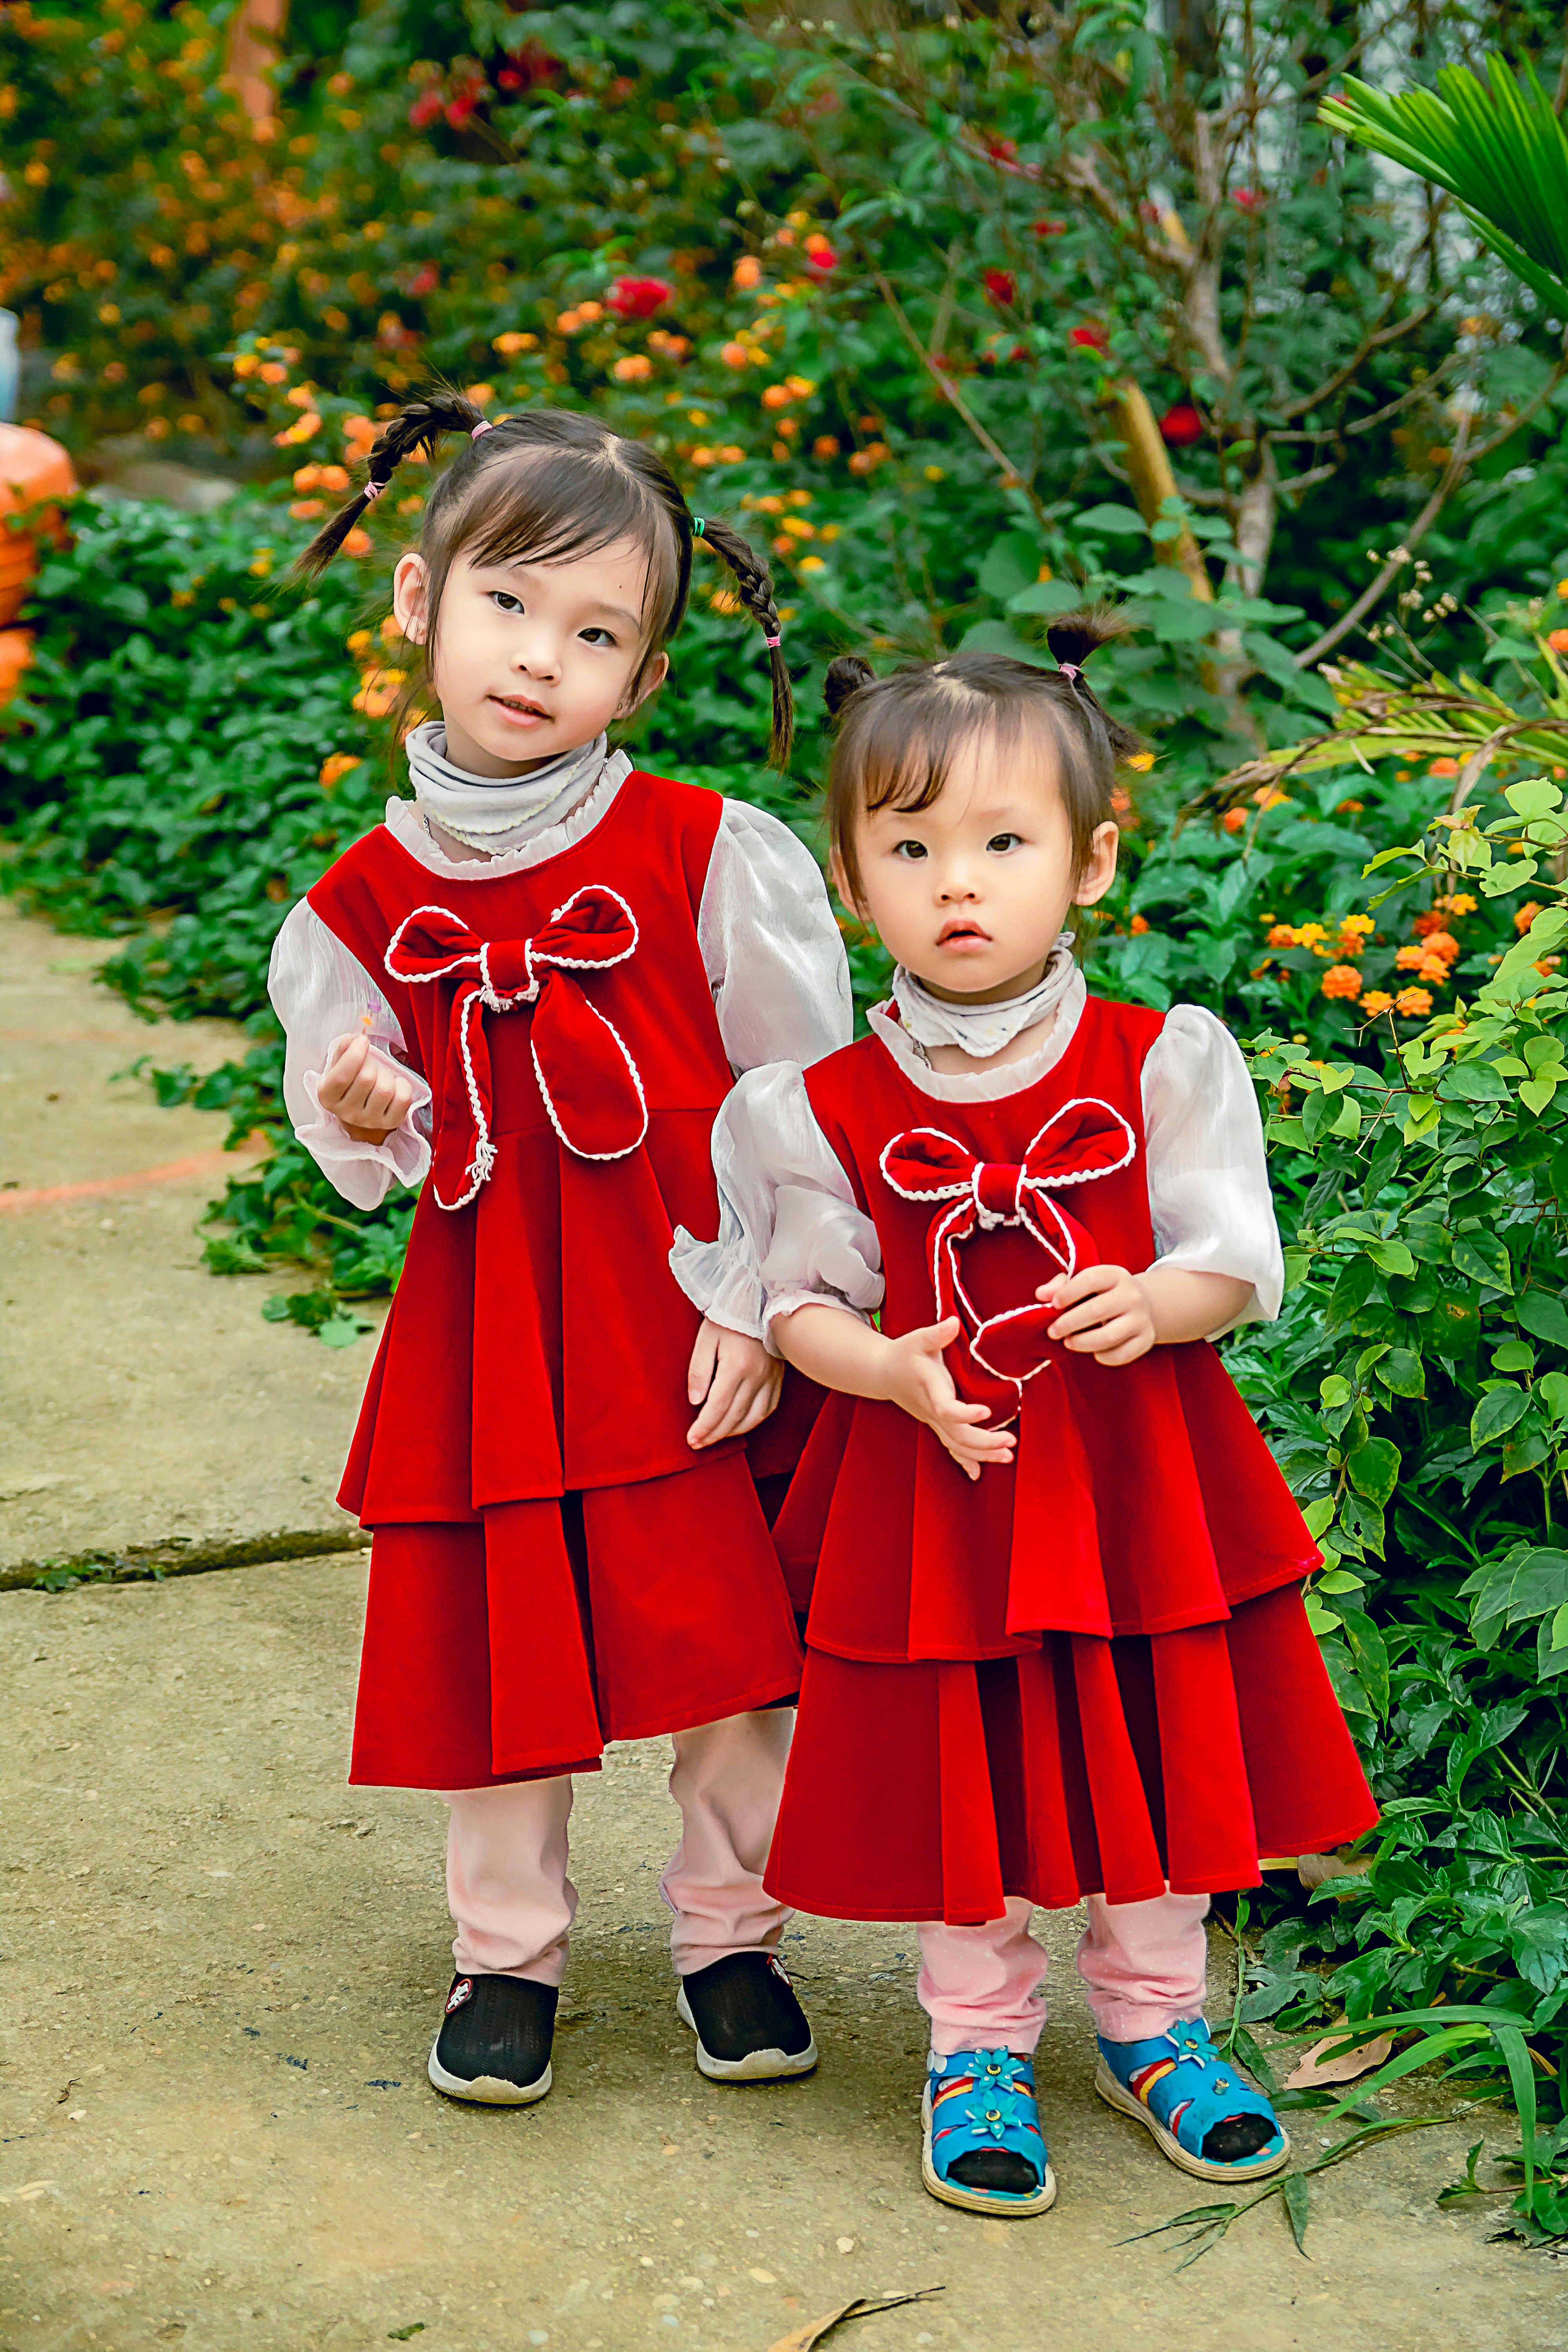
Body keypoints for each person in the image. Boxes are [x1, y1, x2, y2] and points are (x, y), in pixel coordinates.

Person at [671, 615, 1377, 2216]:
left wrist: (1161, 1302)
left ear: (1091, 862)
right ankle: (975, 2041)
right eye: (911, 848)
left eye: (1004, 842)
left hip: (1130, 1477)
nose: (959, 885)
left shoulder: (1160, 1061)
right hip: (944, 1482)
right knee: (966, 1757)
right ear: (854, 883)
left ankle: (1155, 2019)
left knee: (1152, 1738)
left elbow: (1233, 1254)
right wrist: (882, 1368)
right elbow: (798, 1299)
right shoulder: (813, 1108)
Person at [267, 394, 851, 2111]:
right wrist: (370, 1103)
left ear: (643, 676)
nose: (540, 657)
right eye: (508, 603)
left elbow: (809, 1101)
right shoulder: (355, 905)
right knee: (501, 1640)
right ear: (418, 600)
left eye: (596, 634)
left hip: (689, 1306)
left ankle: (730, 1934)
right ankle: (505, 1951)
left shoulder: (709, 854)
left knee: (733, 1641)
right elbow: (367, 1140)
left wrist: (772, 1303)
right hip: (500, 1328)